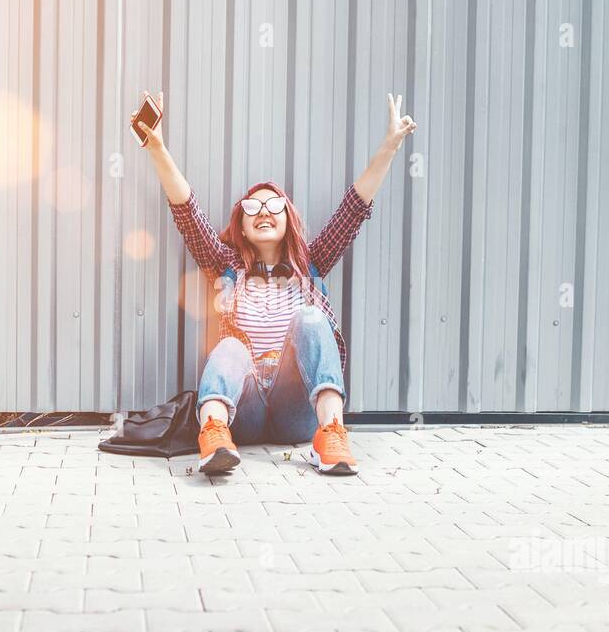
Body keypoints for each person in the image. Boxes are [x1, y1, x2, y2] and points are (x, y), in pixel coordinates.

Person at [135, 91, 417, 475]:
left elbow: (354, 208)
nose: (263, 211)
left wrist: (390, 146)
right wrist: (157, 148)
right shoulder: (226, 264)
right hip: (245, 410)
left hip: (294, 409)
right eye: (252, 207)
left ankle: (331, 435)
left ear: (288, 218)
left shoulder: (308, 264)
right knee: (230, 345)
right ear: (242, 225)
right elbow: (187, 212)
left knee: (312, 319)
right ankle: (214, 435)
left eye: (274, 205)